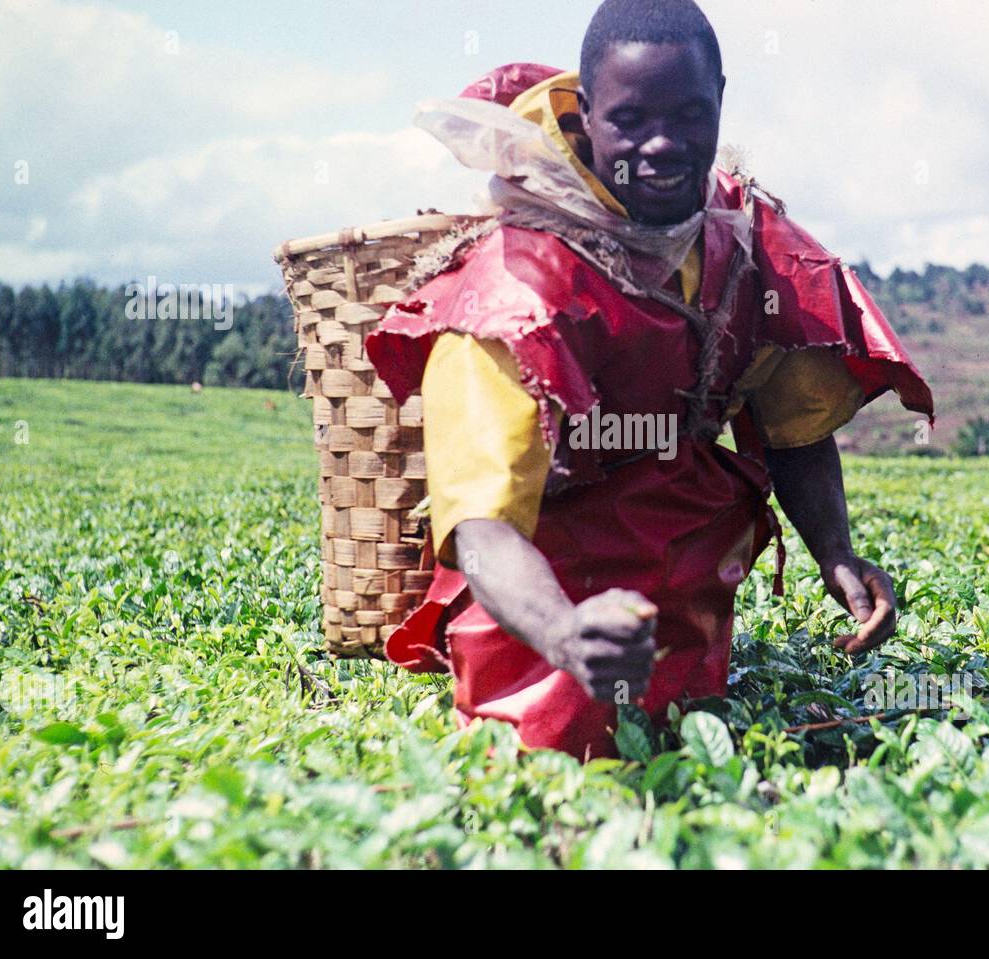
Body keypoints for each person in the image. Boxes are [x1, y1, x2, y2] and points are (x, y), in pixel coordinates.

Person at [365, 0, 933, 760]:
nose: (663, 146)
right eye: (631, 121)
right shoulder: (517, 287)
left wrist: (837, 553)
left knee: (685, 722)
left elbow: (792, 421)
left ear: (721, 102)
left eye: (690, 115)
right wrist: (565, 633)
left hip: (686, 567)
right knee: (561, 745)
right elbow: (483, 525)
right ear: (587, 114)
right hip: (542, 581)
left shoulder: (742, 236)